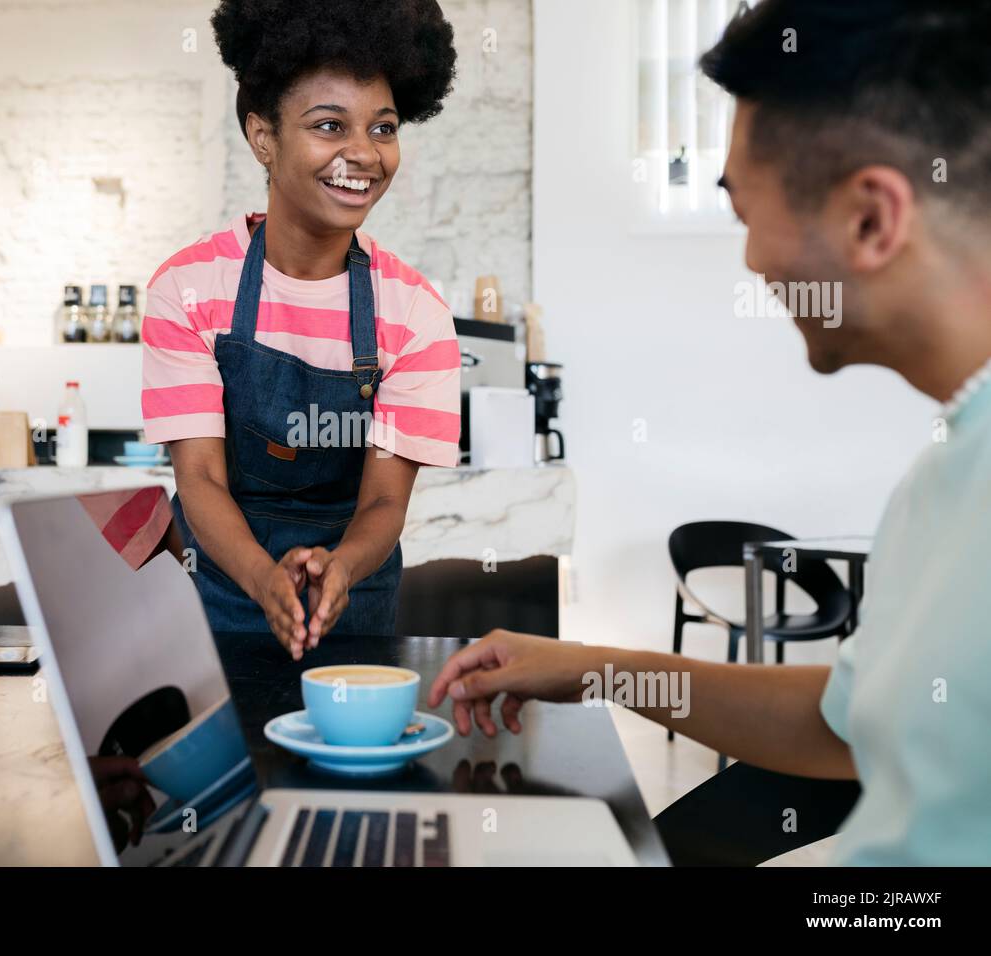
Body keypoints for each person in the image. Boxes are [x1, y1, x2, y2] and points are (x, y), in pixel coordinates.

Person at [430, 0, 991, 865]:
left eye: (745, 214)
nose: (752, 261)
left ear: (871, 220)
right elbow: (845, 728)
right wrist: (587, 666)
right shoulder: (940, 483)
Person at [141, 0, 461, 660]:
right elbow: (199, 478)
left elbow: (382, 504)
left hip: (352, 597)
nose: (363, 154)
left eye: (383, 128)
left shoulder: (415, 312)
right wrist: (262, 579)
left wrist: (340, 568)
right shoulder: (189, 287)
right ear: (264, 137)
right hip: (218, 597)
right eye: (328, 125)